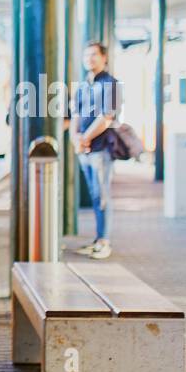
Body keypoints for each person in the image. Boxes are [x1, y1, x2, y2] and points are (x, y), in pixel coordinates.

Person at [70, 41, 121, 259]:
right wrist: (75, 139)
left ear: (104, 58)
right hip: (86, 149)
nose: (89, 59)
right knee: (93, 194)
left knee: (102, 194)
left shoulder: (112, 84)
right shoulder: (83, 85)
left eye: (94, 55)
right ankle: (98, 239)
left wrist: (85, 138)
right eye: (86, 55)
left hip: (100, 148)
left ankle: (104, 241)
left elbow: (107, 117)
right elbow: (75, 115)